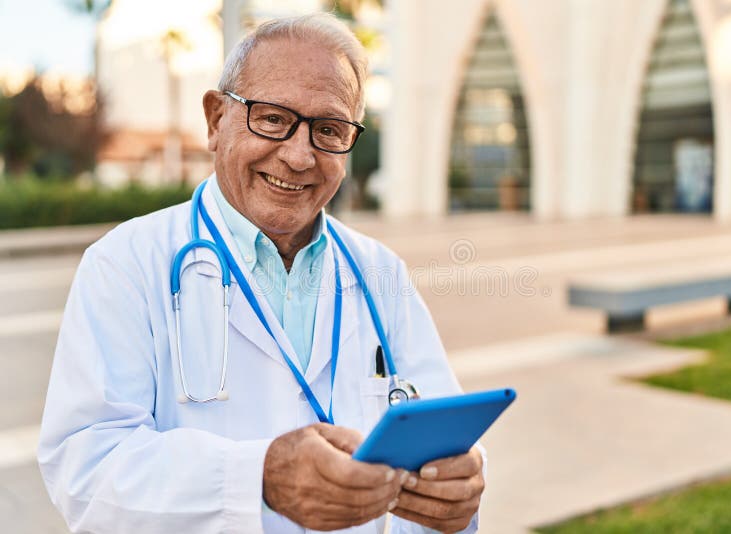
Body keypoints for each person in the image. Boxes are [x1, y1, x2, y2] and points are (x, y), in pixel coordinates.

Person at [37, 13, 485, 534]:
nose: (299, 156)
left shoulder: (378, 271)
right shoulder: (125, 264)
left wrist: (455, 496)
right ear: (215, 119)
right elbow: (86, 471)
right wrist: (259, 478)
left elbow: (444, 435)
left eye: (329, 130)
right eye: (272, 119)